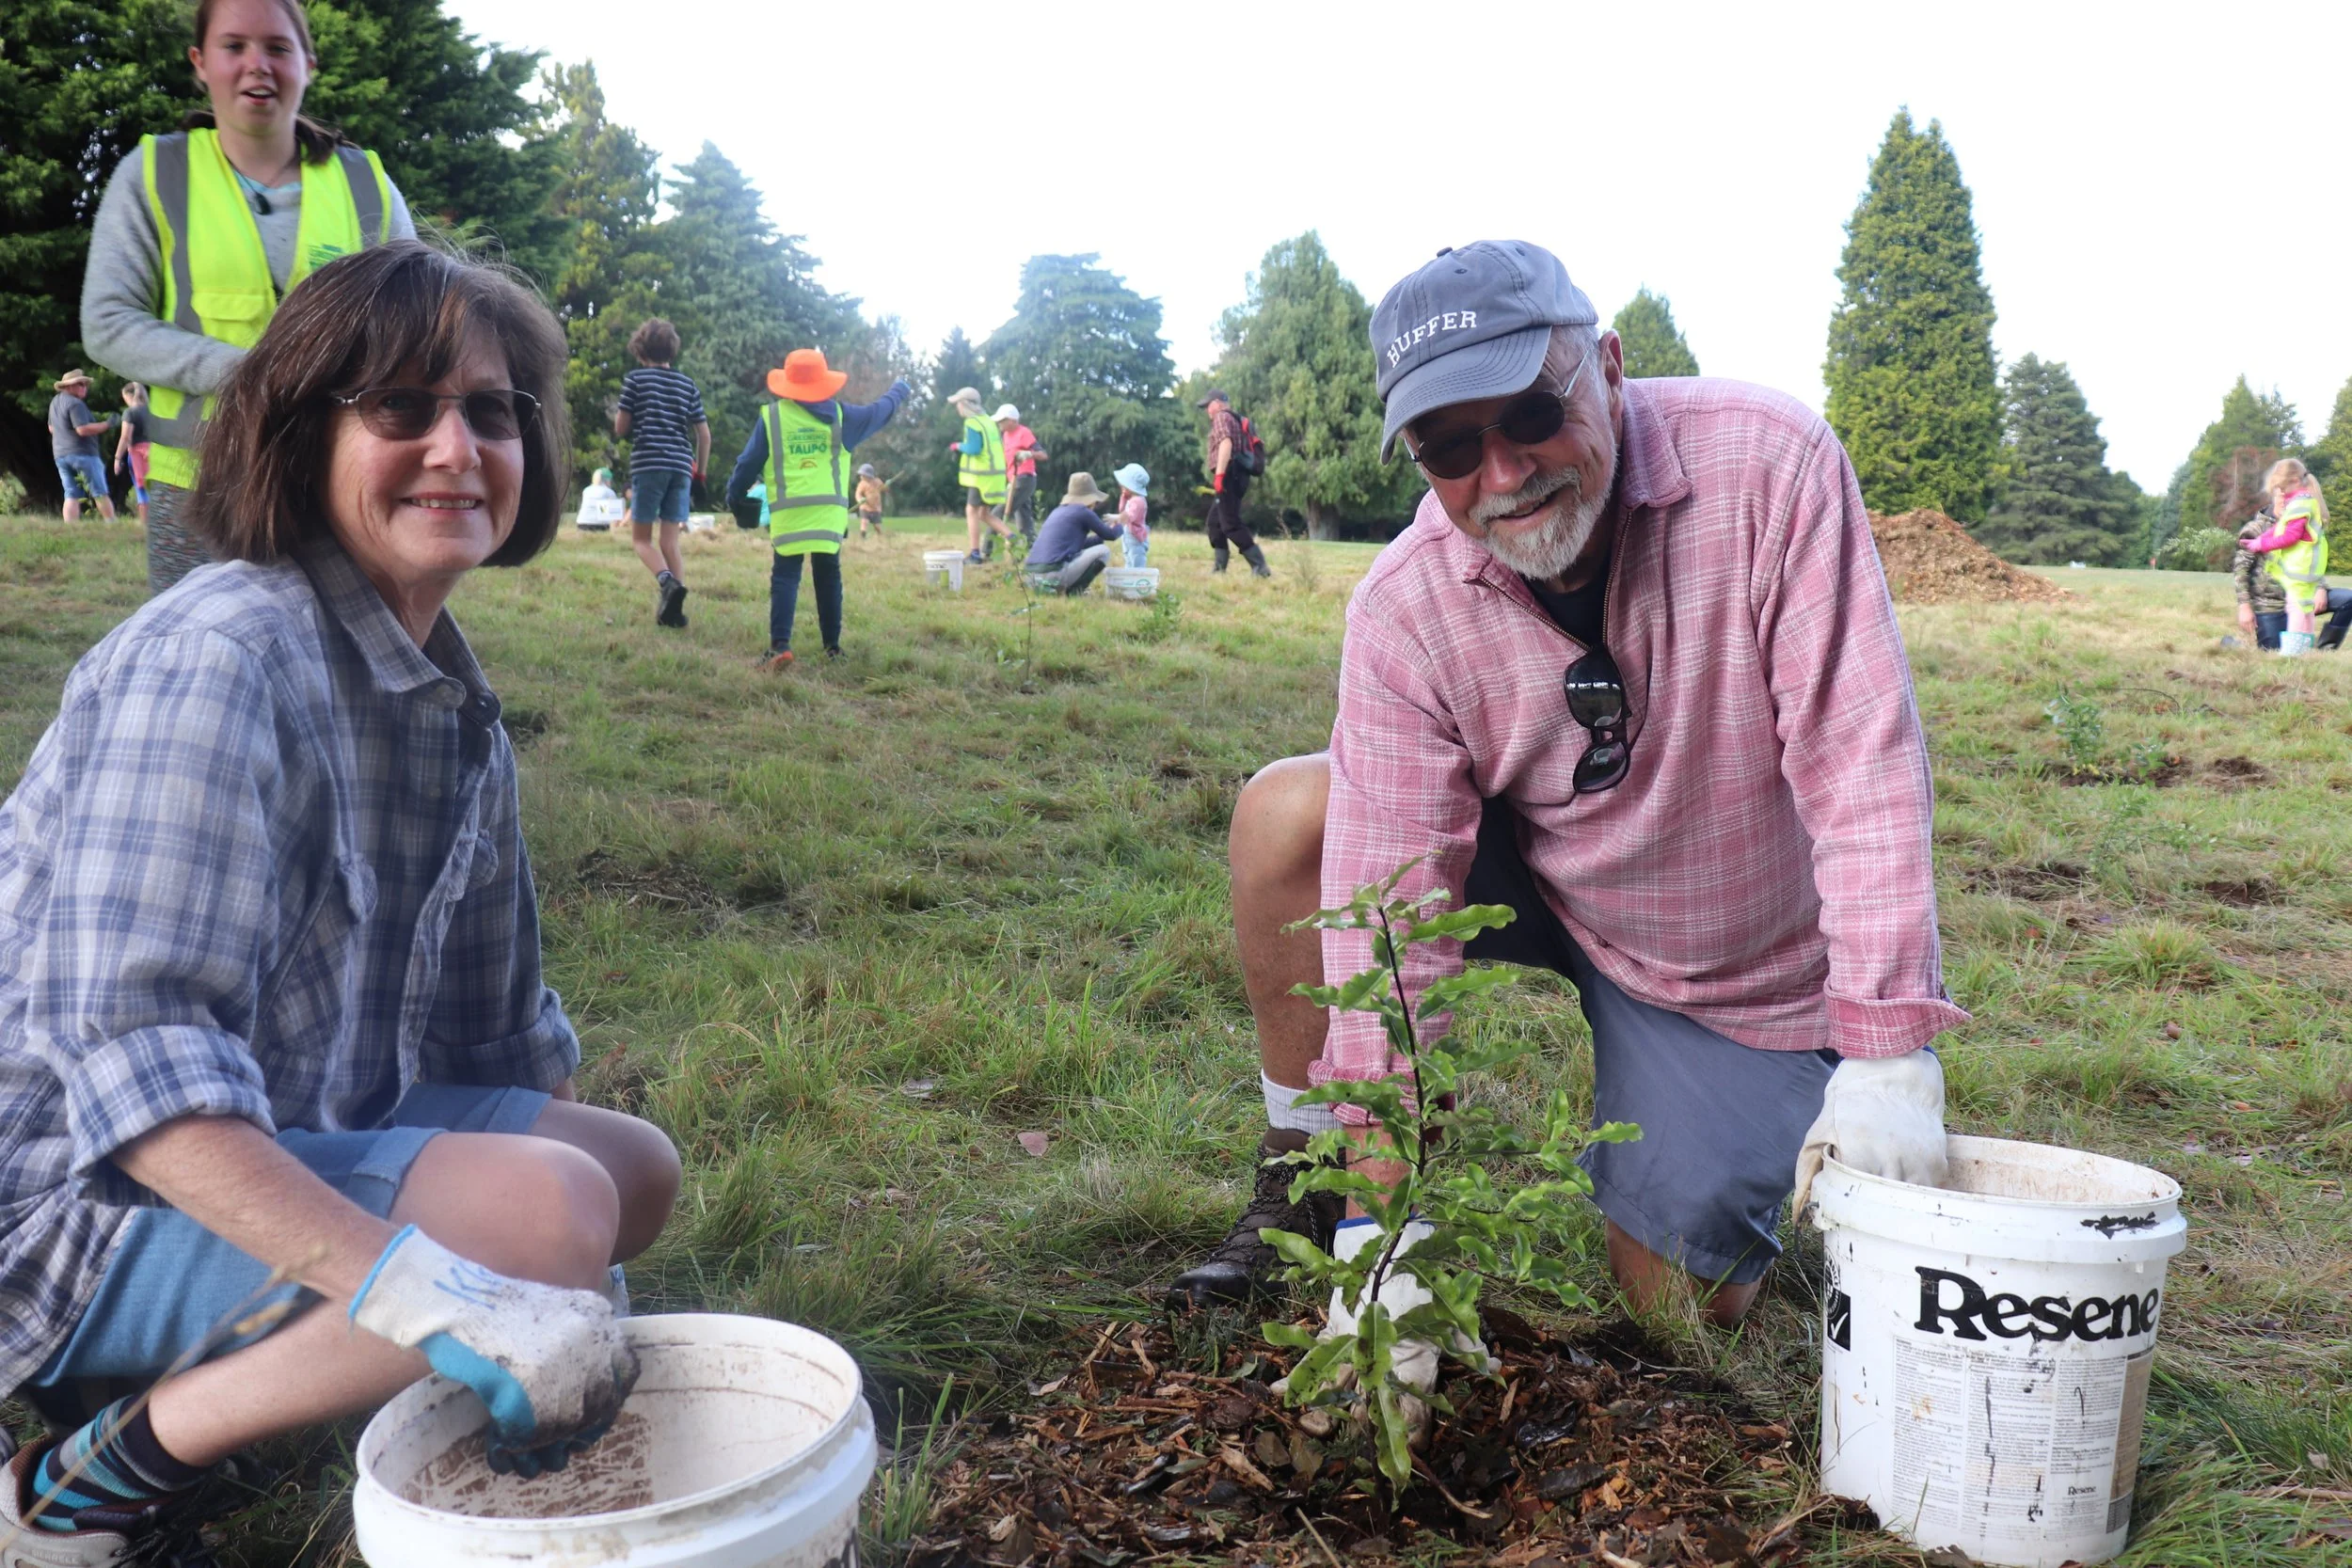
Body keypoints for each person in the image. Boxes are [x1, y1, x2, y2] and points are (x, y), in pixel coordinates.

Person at [1170, 242, 1961, 1421]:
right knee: (1291, 812)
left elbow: (1861, 763)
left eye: (1532, 414)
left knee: (1668, 1316)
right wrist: (1386, 1233)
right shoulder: (1402, 607)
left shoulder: (1771, 467)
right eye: (1449, 447)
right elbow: (1387, 916)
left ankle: (1762, 1095)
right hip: (1542, 865)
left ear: (1607, 367)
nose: (1502, 472)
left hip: (1727, 958)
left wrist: (1889, 1047)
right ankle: (1304, 1171)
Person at [0, 241, 681, 1562]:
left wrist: (545, 1280)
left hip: (295, 1102)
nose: (456, 446)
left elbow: (495, 1042)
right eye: (400, 410)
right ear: (302, 433)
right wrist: (442, 1279)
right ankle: (88, 1474)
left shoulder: (449, 701)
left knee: (625, 1176)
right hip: (56, 1189)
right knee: (547, 1217)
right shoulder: (221, 654)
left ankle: (260, 1347)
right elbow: (124, 1059)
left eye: (492, 410)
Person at [81, 0, 415, 595]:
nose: (257, 65)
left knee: (335, 671)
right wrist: (247, 375)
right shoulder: (154, 174)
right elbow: (107, 322)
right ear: (200, 63)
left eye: (278, 48)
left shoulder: (367, 184)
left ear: (308, 65)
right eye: (234, 47)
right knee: (199, 663)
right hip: (198, 486)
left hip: (337, 478)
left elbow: (419, 323)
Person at [724, 348, 911, 672]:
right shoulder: (844, 418)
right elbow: (881, 411)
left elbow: (746, 464)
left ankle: (780, 646)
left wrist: (734, 497)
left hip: (788, 515)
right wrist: (900, 389)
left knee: (785, 575)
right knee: (828, 576)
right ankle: (833, 648)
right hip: (828, 517)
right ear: (824, 381)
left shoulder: (773, 418)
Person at [613, 318, 707, 629]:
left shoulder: (636, 381)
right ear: (672, 350)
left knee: (641, 540)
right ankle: (674, 613)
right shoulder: (687, 384)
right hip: (682, 467)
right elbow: (704, 435)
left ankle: (667, 582)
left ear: (640, 350)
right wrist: (701, 476)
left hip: (650, 464)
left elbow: (621, 428)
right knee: (670, 542)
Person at [2242, 458, 2328, 656]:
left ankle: (2293, 653)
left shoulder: (2300, 506)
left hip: (2299, 569)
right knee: (2305, 607)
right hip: (2305, 570)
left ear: (2296, 481)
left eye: (2282, 487)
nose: (2281, 493)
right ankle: (2304, 651)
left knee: (2296, 607)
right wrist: (2259, 539)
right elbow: (2280, 528)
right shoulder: (2304, 502)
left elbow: (2289, 536)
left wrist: (2260, 544)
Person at [1200, 389, 1271, 578]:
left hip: (1230, 475)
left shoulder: (1222, 417)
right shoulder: (1235, 419)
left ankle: (1260, 567)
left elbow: (1226, 444)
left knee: (1230, 523)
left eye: (1208, 405)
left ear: (1217, 403)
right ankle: (1219, 568)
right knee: (1214, 523)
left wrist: (1220, 475)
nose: (1207, 410)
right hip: (1236, 475)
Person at [1024, 472, 1123, 594]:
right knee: (1103, 551)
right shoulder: (1083, 511)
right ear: (1091, 500)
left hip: (1031, 578)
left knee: (1088, 551)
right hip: (1052, 576)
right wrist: (1122, 523)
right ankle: (1075, 591)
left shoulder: (1058, 511)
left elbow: (1076, 545)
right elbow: (1111, 535)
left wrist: (1098, 538)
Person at [946, 387, 1012, 562]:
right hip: (994, 476)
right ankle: (1013, 538)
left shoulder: (972, 423)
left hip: (981, 477)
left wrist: (957, 446)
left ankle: (975, 554)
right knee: (984, 514)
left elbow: (974, 449)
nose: (957, 408)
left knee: (971, 511)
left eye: (958, 404)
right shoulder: (988, 421)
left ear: (965, 404)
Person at [46, 372, 117, 525]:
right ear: (70, 386)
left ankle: (70, 527)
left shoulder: (55, 402)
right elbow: (82, 429)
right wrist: (107, 424)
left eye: (85, 384)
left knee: (71, 493)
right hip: (83, 454)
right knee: (99, 491)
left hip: (60, 454)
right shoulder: (75, 404)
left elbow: (51, 428)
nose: (85, 388)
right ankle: (111, 524)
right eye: (81, 384)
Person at [2233, 510, 2289, 649]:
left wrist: (2320, 588)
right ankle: (2232, 645)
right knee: (2272, 652)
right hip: (2267, 605)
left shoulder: (2301, 526)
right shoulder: (2255, 529)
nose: (2286, 499)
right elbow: (2241, 570)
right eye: (2280, 494)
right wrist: (2244, 606)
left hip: (2296, 604)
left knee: (2298, 654)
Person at [996, 404, 1046, 546]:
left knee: (996, 515)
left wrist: (1029, 453)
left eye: (1002, 420)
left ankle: (985, 552)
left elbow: (1043, 454)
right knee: (1024, 520)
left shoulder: (1024, 433)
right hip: (1013, 479)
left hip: (1024, 478)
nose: (999, 423)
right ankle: (1033, 548)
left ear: (1012, 420)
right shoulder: (1005, 435)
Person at [113, 382, 157, 526]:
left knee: (141, 489)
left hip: (137, 454)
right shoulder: (152, 410)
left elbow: (126, 437)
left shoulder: (130, 413)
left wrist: (117, 458)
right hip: (154, 452)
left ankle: (145, 525)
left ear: (129, 396)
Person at [1112, 462, 1152, 567]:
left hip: (1135, 538)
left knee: (1136, 562)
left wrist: (1115, 519)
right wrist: (1123, 498)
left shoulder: (1138, 501)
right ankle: (1130, 580)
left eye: (1123, 485)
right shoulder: (1131, 499)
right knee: (1128, 560)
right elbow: (1121, 510)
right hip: (1128, 536)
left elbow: (1130, 516)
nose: (1121, 486)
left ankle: (1138, 581)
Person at [577, 466, 622, 531]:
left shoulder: (586, 490)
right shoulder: (609, 492)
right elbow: (616, 515)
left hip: (581, 523)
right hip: (600, 525)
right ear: (607, 480)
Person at [855, 463, 888, 539]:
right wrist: (860, 500)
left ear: (869, 475)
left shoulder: (877, 481)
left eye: (863, 475)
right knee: (864, 522)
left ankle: (880, 536)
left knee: (877, 526)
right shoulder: (862, 484)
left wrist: (886, 485)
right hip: (865, 507)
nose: (861, 477)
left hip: (876, 508)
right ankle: (863, 537)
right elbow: (858, 494)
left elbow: (884, 489)